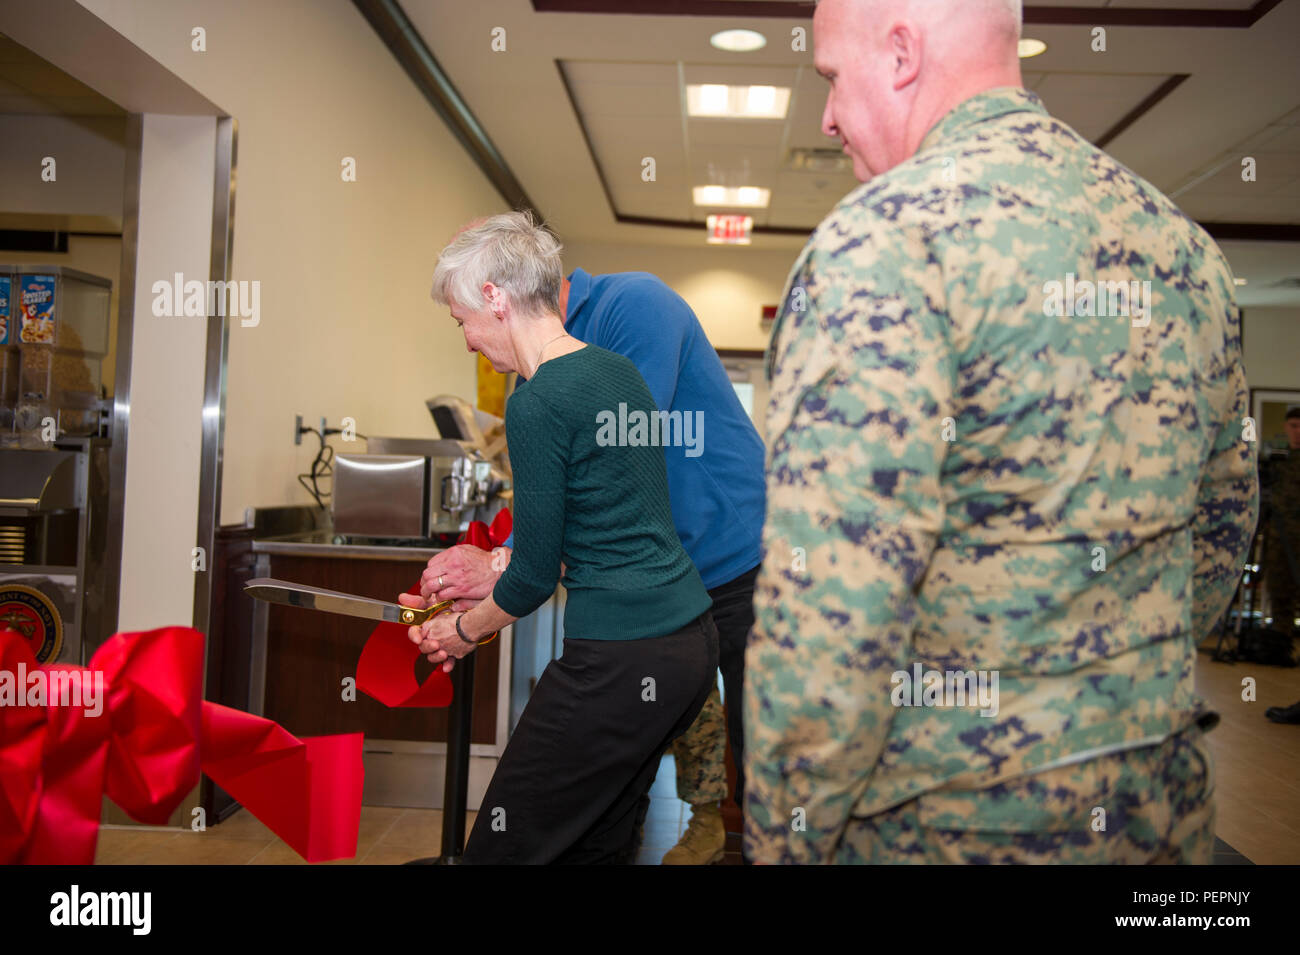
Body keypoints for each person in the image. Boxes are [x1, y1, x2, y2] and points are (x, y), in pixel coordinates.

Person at [744, 0, 1259, 864]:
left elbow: (833, 616)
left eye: (832, 76)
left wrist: (782, 842)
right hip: (1158, 821)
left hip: (944, 827)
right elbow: (1218, 538)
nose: (826, 114)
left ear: (901, 53)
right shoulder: (1185, 250)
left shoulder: (879, 245)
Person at [417, 263, 766, 864]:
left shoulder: (630, 310)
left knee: (764, 755)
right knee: (602, 824)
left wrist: (474, 615)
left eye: (462, 318)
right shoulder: (578, 370)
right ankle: (705, 823)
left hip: (732, 560)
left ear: (497, 293)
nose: (467, 339)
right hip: (673, 606)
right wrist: (505, 560)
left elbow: (607, 466)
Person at [1263, 407, 1300, 723]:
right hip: (1279, 544)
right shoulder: (1278, 462)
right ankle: (1279, 648)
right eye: (1293, 425)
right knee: (1280, 597)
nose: (1297, 431)